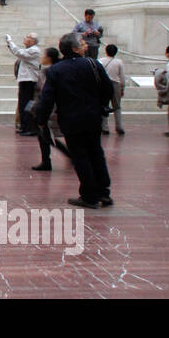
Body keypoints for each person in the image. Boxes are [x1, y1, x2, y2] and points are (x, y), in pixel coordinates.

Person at [31, 33, 114, 208]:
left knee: (81, 156)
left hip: (70, 119)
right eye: (82, 43)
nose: (85, 46)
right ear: (75, 48)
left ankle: (89, 195)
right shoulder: (93, 64)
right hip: (92, 117)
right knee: (96, 153)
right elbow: (108, 88)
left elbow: (47, 98)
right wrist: (100, 106)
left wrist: (41, 119)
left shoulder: (56, 70)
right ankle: (103, 192)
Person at [33, 47, 66, 171]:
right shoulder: (55, 69)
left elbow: (45, 90)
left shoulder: (49, 71)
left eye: (43, 55)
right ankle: (47, 160)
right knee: (46, 135)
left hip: (48, 107)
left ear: (49, 58)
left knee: (45, 135)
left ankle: (48, 160)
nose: (42, 57)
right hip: (51, 106)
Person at [6, 32, 42, 139]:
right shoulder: (30, 50)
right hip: (25, 80)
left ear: (33, 40)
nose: (25, 38)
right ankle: (24, 126)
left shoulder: (34, 50)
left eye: (27, 37)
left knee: (26, 105)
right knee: (23, 104)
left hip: (29, 81)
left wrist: (10, 42)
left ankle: (29, 127)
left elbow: (19, 52)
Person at [100, 44, 127, 136]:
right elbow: (122, 77)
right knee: (117, 106)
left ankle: (104, 127)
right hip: (116, 84)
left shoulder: (101, 61)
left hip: (104, 85)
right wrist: (122, 87)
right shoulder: (119, 62)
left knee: (104, 106)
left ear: (106, 51)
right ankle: (119, 126)